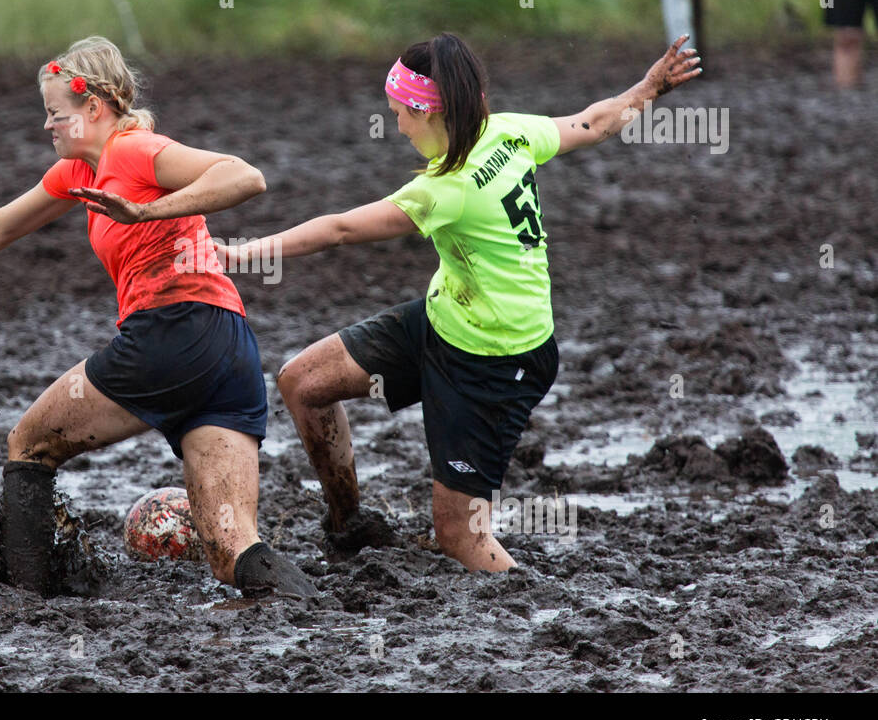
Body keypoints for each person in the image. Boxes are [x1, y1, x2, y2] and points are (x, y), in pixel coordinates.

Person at [0, 36, 316, 599]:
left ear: (94, 109)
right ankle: (326, 616)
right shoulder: (79, 173)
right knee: (232, 554)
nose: (47, 127)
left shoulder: (130, 150)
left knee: (28, 444)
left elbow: (245, 176)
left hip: (171, 335)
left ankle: (24, 600)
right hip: (229, 348)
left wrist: (146, 210)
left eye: (56, 114)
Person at [219, 33, 701, 572]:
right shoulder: (506, 131)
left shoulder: (446, 188)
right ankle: (348, 526)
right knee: (302, 382)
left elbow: (338, 230)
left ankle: (542, 609)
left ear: (430, 112)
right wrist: (650, 86)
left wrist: (239, 255)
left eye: (400, 113)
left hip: (496, 361)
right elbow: (594, 122)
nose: (397, 126)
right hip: (443, 320)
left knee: (460, 540)